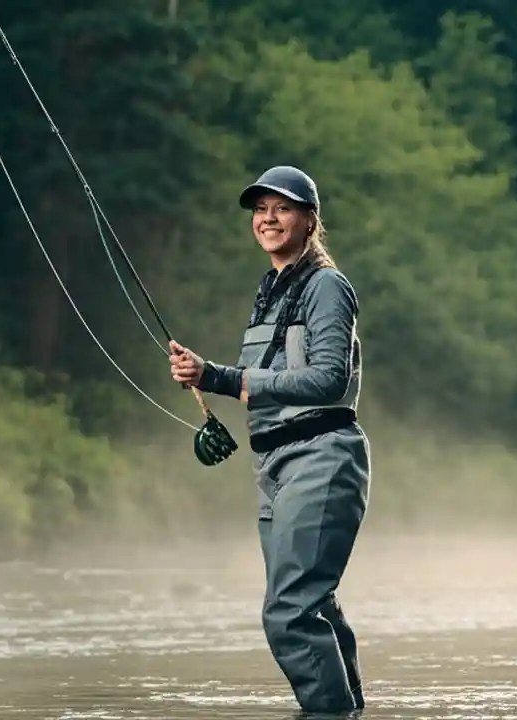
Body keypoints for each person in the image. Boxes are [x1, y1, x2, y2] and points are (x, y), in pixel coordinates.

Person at [168, 165, 370, 714]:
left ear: (310, 220)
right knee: (312, 605)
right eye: (260, 209)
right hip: (275, 466)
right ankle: (345, 712)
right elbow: (268, 382)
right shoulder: (272, 291)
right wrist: (206, 379)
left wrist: (224, 378)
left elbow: (328, 378)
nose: (268, 218)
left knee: (289, 611)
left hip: (321, 456)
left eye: (282, 208)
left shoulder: (326, 285)